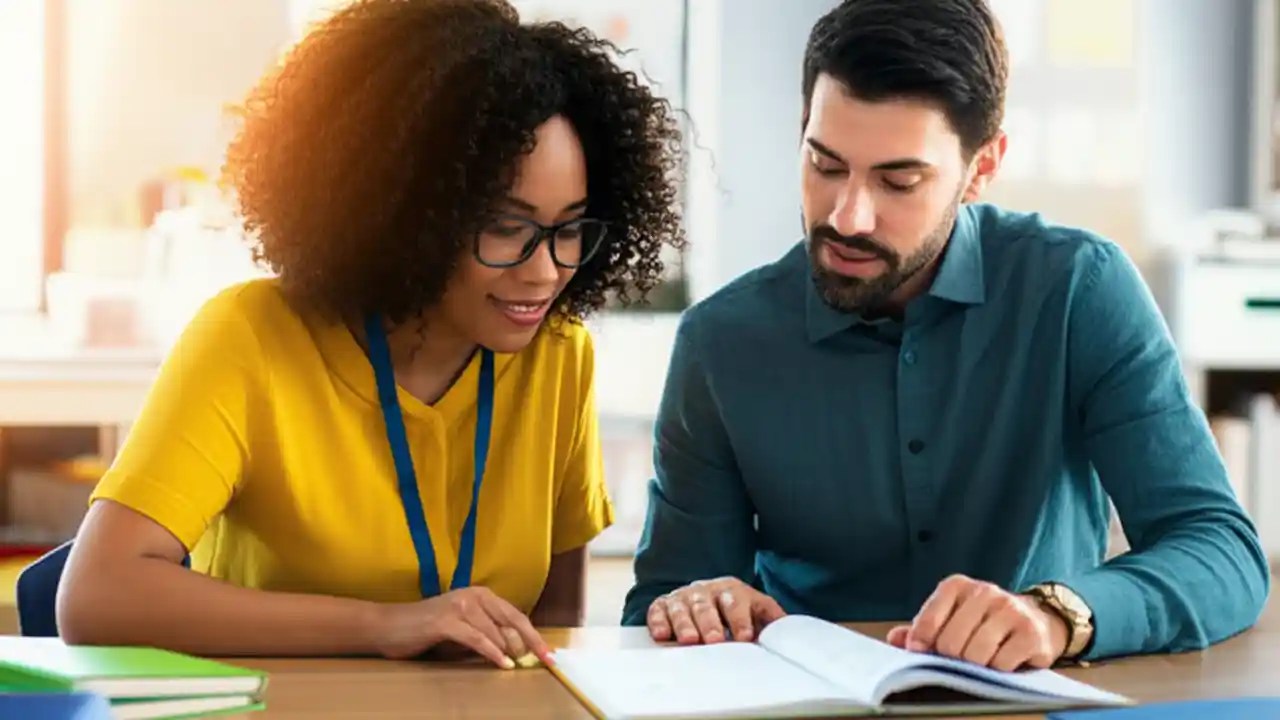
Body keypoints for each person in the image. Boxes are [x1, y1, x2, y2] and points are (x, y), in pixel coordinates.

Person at [622, 0, 1270, 671]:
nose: (848, 216)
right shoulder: (720, 342)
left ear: (983, 167)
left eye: (898, 181)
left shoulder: (1078, 289)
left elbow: (1220, 550)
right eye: (826, 165)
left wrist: (1056, 616)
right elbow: (660, 607)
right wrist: (696, 608)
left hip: (1030, 707)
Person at [58, 0, 684, 669]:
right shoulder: (250, 339)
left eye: (568, 229)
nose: (545, 271)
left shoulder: (557, 355)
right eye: (507, 226)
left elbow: (552, 630)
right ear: (409, 214)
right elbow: (96, 595)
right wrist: (385, 625)